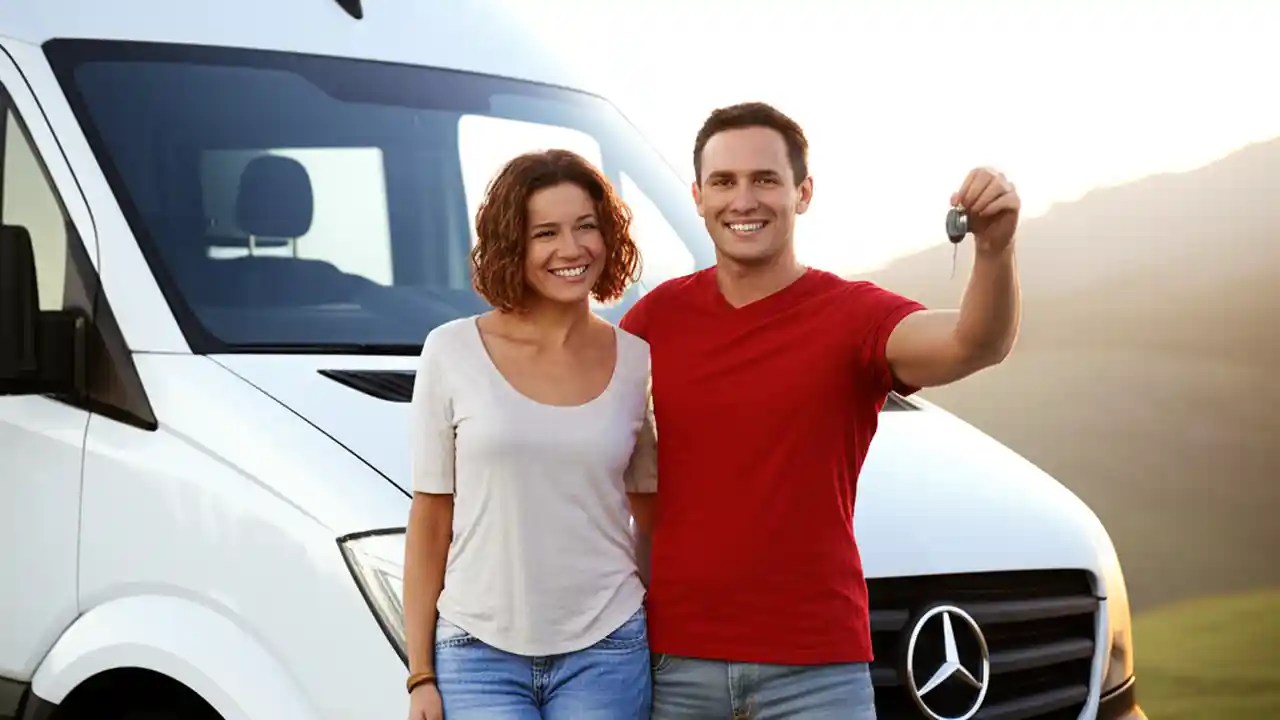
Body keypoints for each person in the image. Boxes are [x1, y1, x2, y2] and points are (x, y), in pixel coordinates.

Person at [621, 102, 1022, 718]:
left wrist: (994, 251)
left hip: (816, 675)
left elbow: (976, 342)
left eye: (765, 180)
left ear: (802, 193)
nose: (743, 200)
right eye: (724, 182)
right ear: (697, 196)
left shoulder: (853, 316)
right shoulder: (653, 322)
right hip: (677, 668)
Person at [402, 148, 659, 720]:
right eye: (545, 232)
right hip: (477, 652)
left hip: (608, 649)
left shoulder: (637, 362)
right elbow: (430, 520)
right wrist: (420, 673)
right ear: (512, 245)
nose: (571, 249)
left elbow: (650, 518)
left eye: (586, 226)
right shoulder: (451, 350)